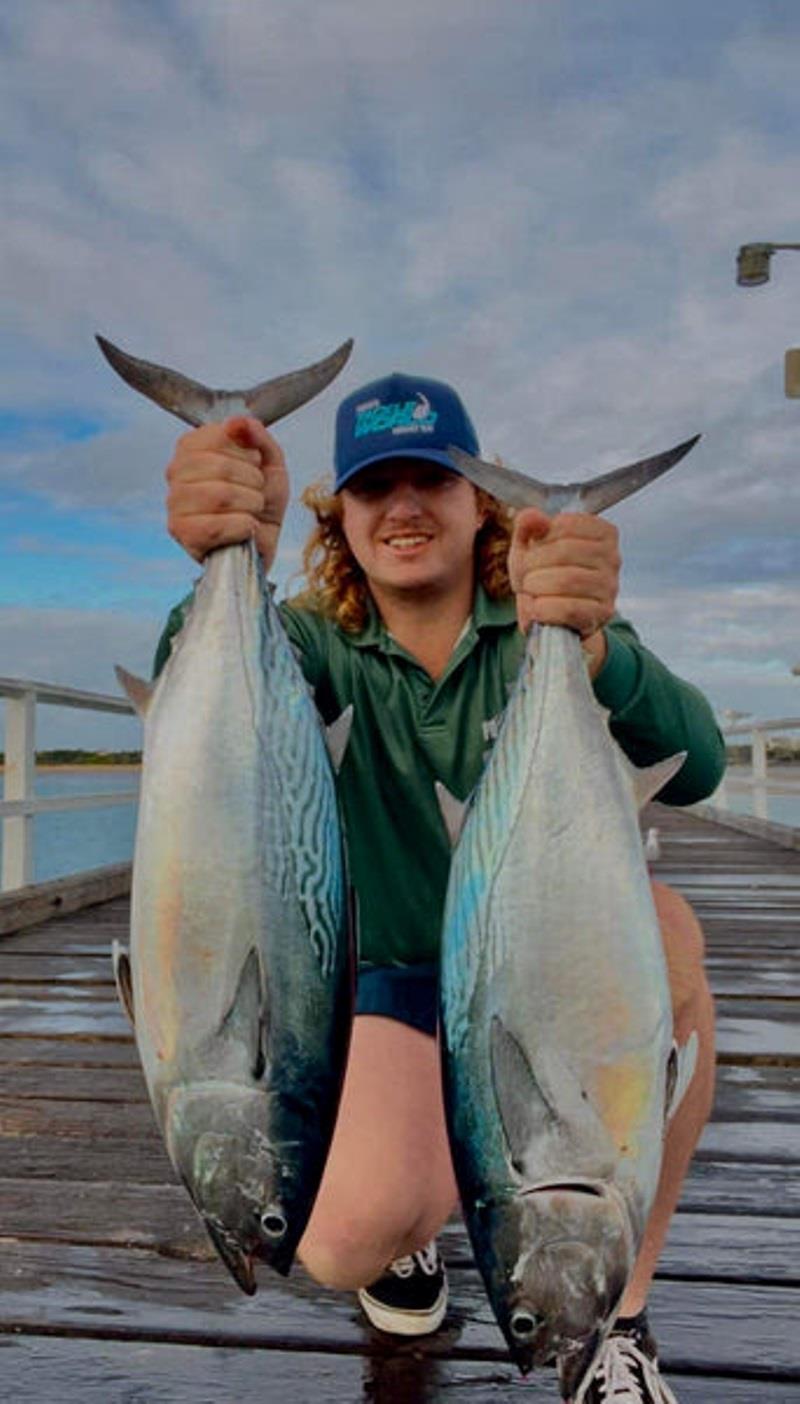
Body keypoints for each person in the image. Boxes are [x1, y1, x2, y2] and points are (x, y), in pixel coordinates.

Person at [157, 372, 724, 1404]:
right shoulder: (310, 642)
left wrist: (593, 646)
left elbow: (698, 766)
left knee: (670, 938)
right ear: (344, 517)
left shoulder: (551, 624)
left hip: (537, 982)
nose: (406, 507)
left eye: (434, 480)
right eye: (377, 488)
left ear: (481, 507)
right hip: (378, 977)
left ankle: (616, 1318)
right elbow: (198, 706)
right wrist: (220, 553)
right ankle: (407, 1239)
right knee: (333, 1241)